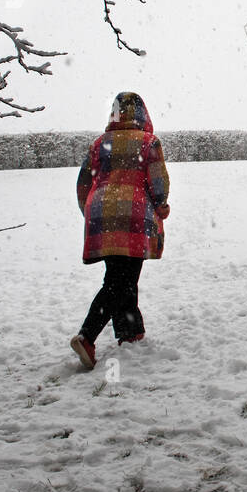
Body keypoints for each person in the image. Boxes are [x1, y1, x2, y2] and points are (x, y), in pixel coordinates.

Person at [70, 91, 170, 370]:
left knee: (120, 276)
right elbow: (158, 181)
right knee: (119, 281)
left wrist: (93, 212)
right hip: (134, 216)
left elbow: (82, 184)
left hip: (102, 215)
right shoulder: (148, 142)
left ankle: (130, 332)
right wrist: (161, 205)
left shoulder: (99, 144)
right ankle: (87, 336)